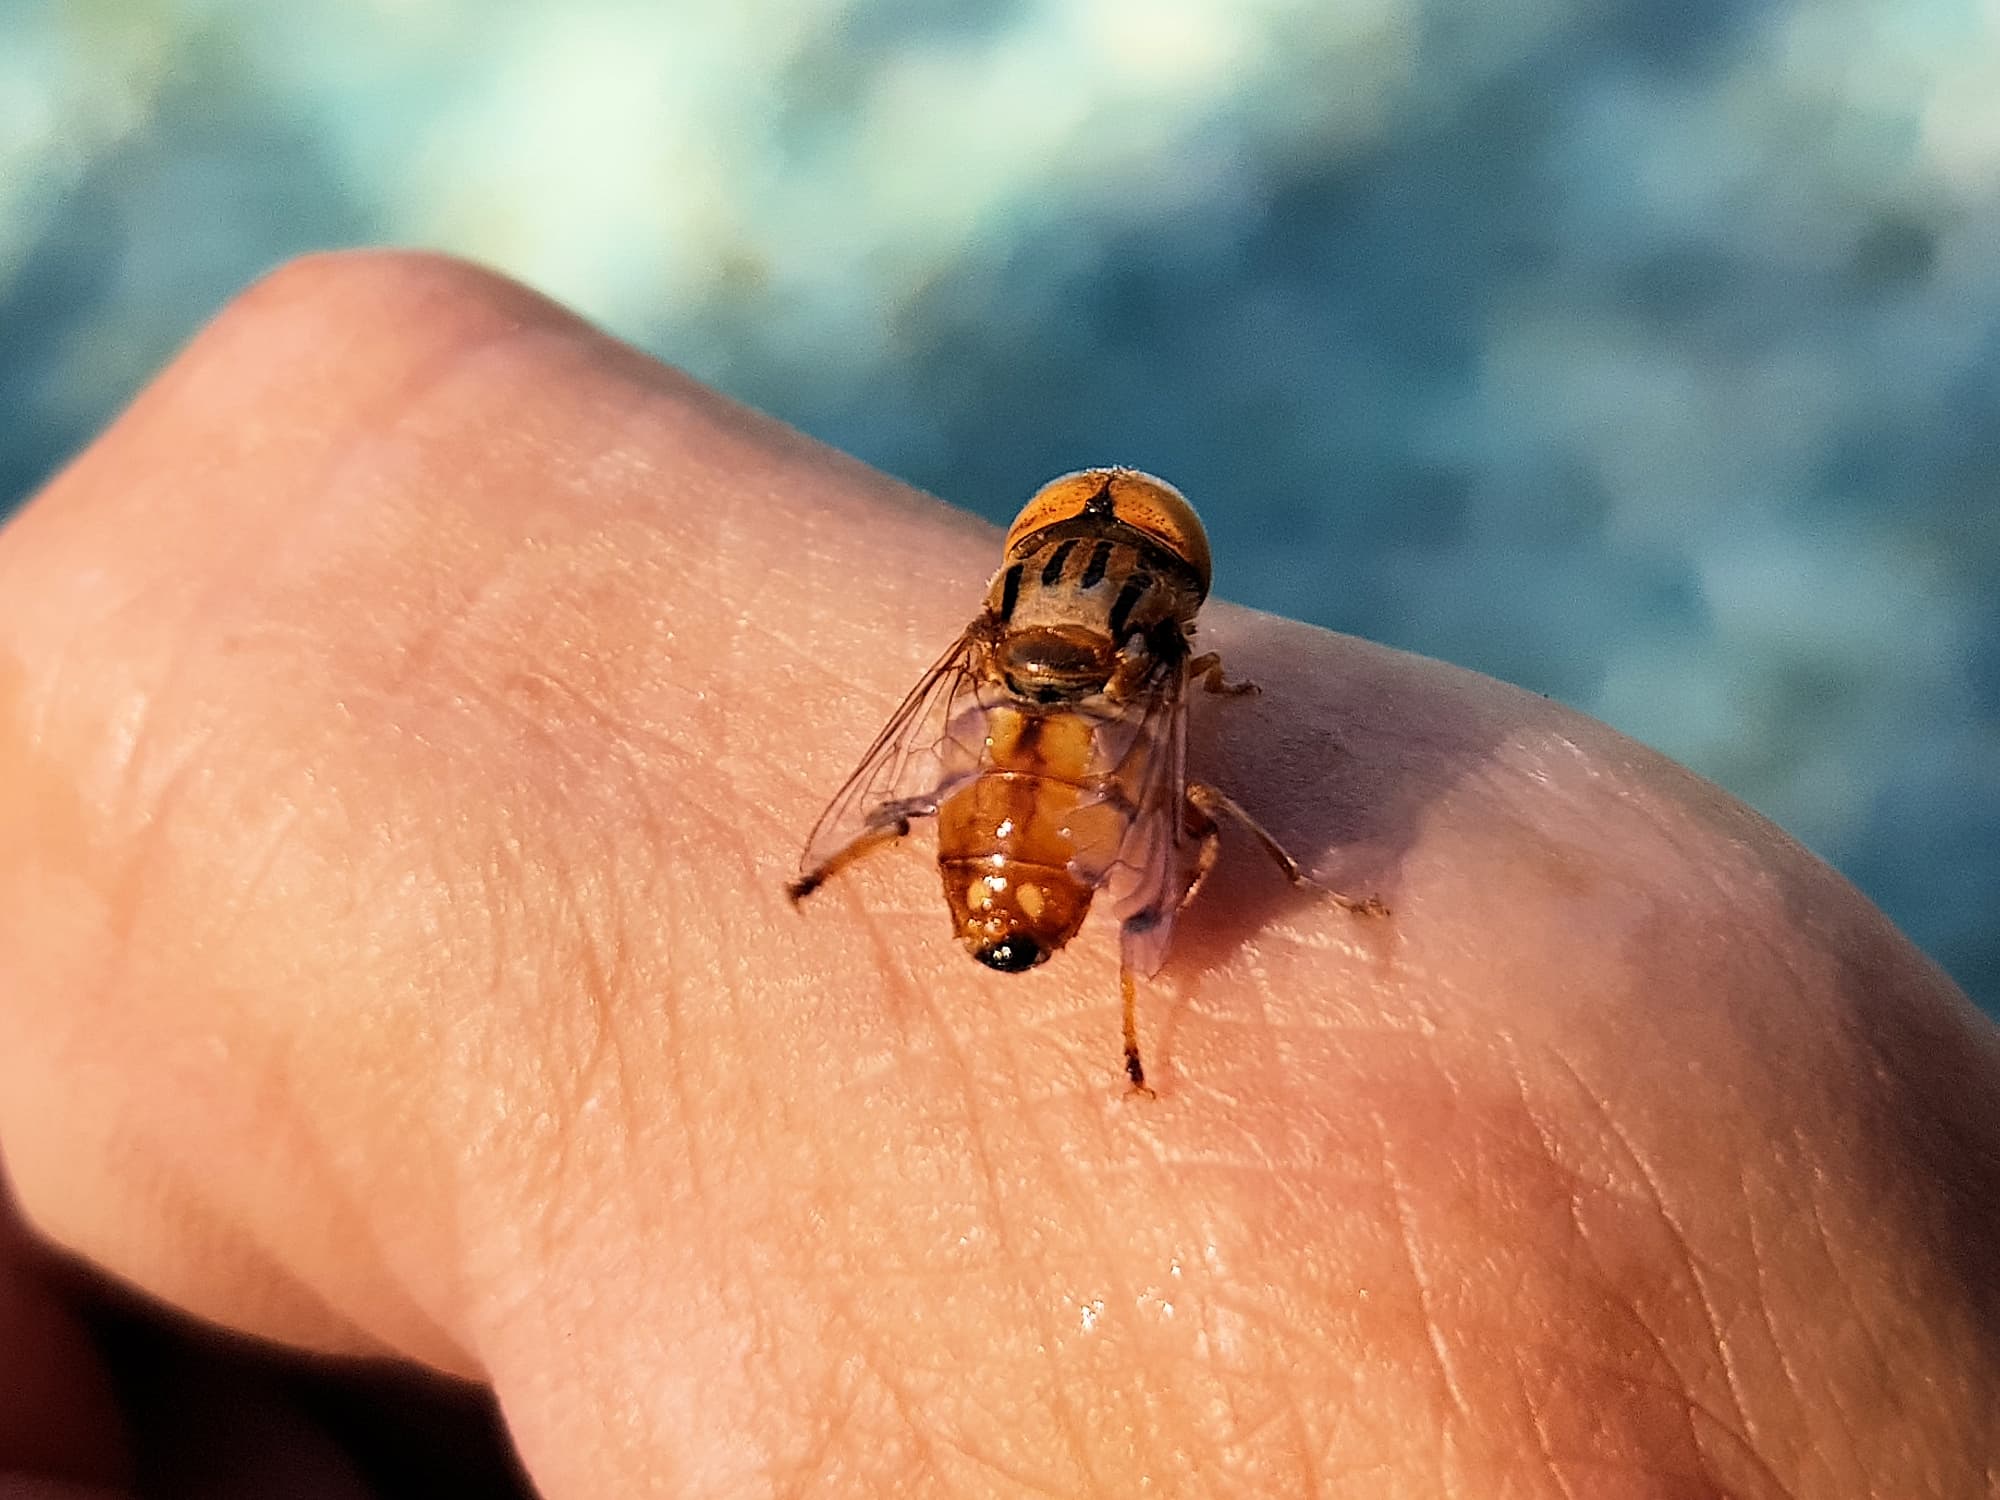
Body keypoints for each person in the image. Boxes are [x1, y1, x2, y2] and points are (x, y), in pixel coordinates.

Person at [0, 252, 1993, 1498]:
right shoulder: (1173, 666)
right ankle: (1098, 989)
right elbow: (1184, 759)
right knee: (1176, 820)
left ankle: (953, 885)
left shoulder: (986, 639)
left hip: (985, 820)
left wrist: (868, 828)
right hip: (1062, 848)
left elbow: (948, 721)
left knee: (1007, 774)